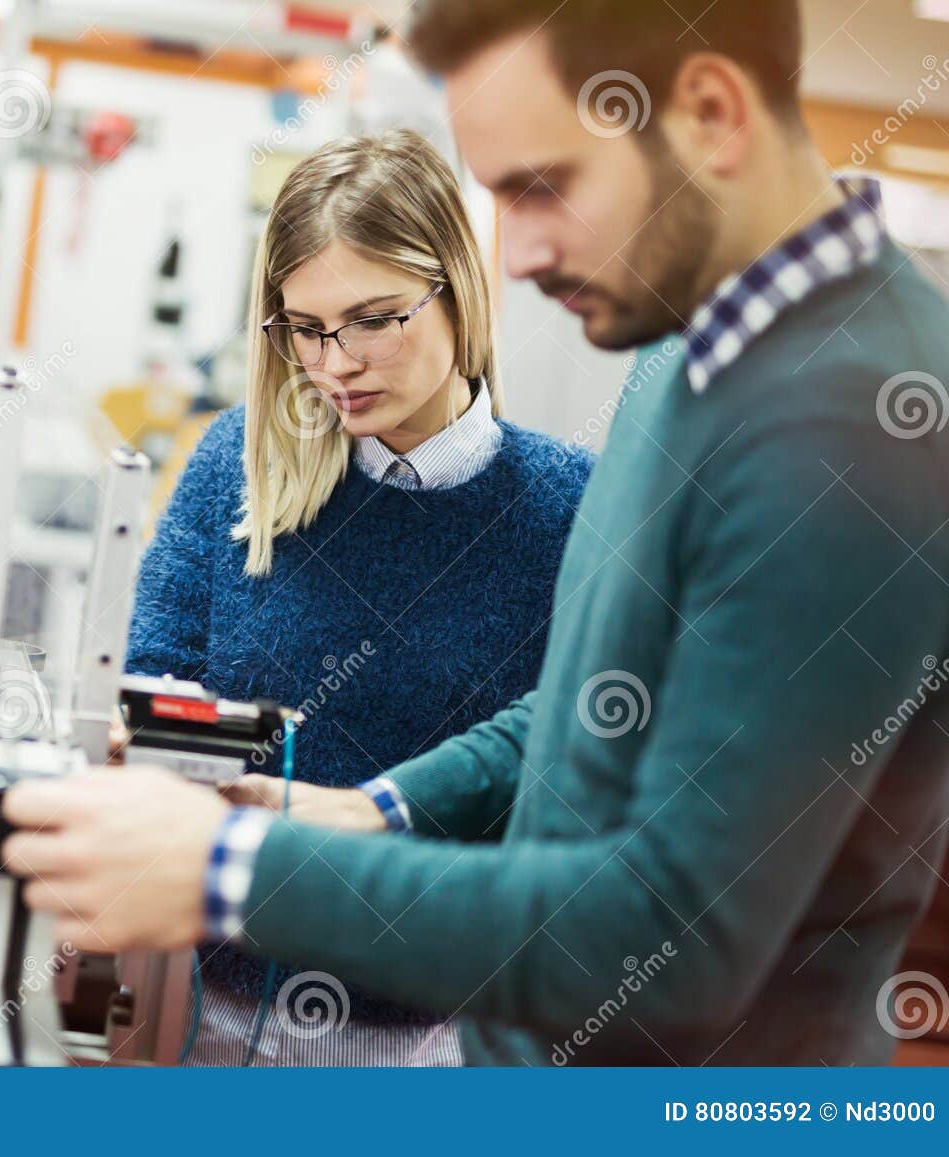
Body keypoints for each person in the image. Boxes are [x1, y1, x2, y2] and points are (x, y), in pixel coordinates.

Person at [0, 0, 949, 1066]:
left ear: (710, 114)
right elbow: (590, 698)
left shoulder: (857, 415)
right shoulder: (690, 351)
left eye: (544, 186)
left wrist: (231, 870)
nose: (515, 257)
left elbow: (678, 936)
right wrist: (380, 806)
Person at [124, 129, 592, 1064]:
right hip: (205, 1012)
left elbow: (567, 779)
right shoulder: (237, 463)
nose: (335, 362)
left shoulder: (574, 507)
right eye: (305, 327)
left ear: (458, 289)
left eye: (375, 318)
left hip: (437, 1041)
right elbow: (153, 687)